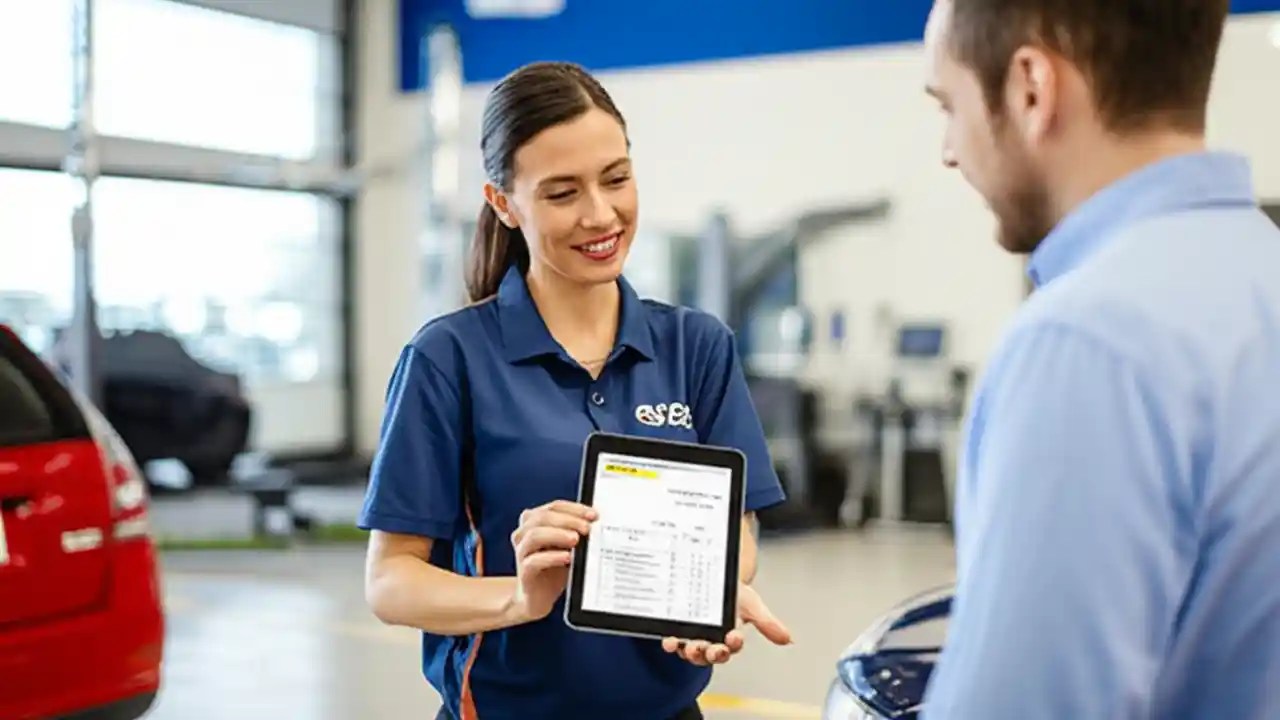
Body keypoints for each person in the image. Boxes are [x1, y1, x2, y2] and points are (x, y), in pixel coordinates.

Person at [358, 61, 793, 720]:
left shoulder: (696, 346)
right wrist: (519, 598)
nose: (601, 214)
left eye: (616, 178)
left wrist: (716, 590)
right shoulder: (448, 359)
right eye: (562, 193)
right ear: (504, 203)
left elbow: (737, 522)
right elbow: (390, 581)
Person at [919, 0, 1280, 717]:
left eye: (948, 106)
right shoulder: (1262, 270)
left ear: (1030, 89)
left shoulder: (1086, 342)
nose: (949, 151)